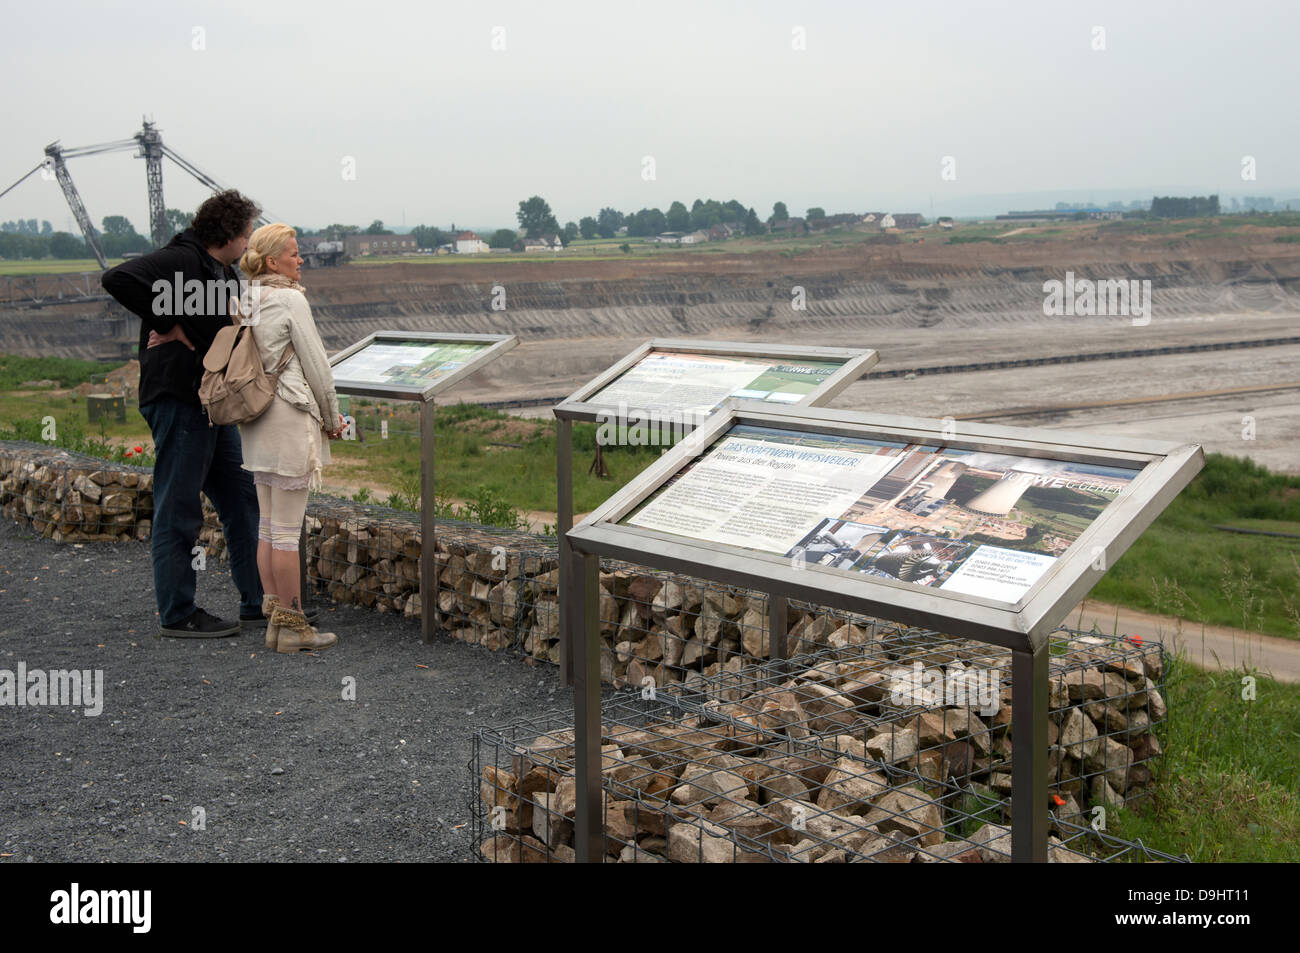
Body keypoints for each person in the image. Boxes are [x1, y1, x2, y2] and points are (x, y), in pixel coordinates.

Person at [101, 190, 267, 637]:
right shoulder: (180, 259)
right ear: (228, 234)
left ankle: (258, 602)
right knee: (179, 507)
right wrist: (167, 323)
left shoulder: (222, 270)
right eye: (247, 234)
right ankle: (178, 613)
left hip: (210, 404)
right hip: (177, 400)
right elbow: (117, 278)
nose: (249, 242)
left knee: (242, 499)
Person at [237, 224, 345, 653]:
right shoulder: (290, 300)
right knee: (286, 533)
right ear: (272, 261)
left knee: (267, 527)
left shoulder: (247, 296)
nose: (301, 260)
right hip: (287, 415)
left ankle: (276, 624)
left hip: (256, 418)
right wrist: (333, 418)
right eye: (294, 253)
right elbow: (318, 366)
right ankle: (295, 628)